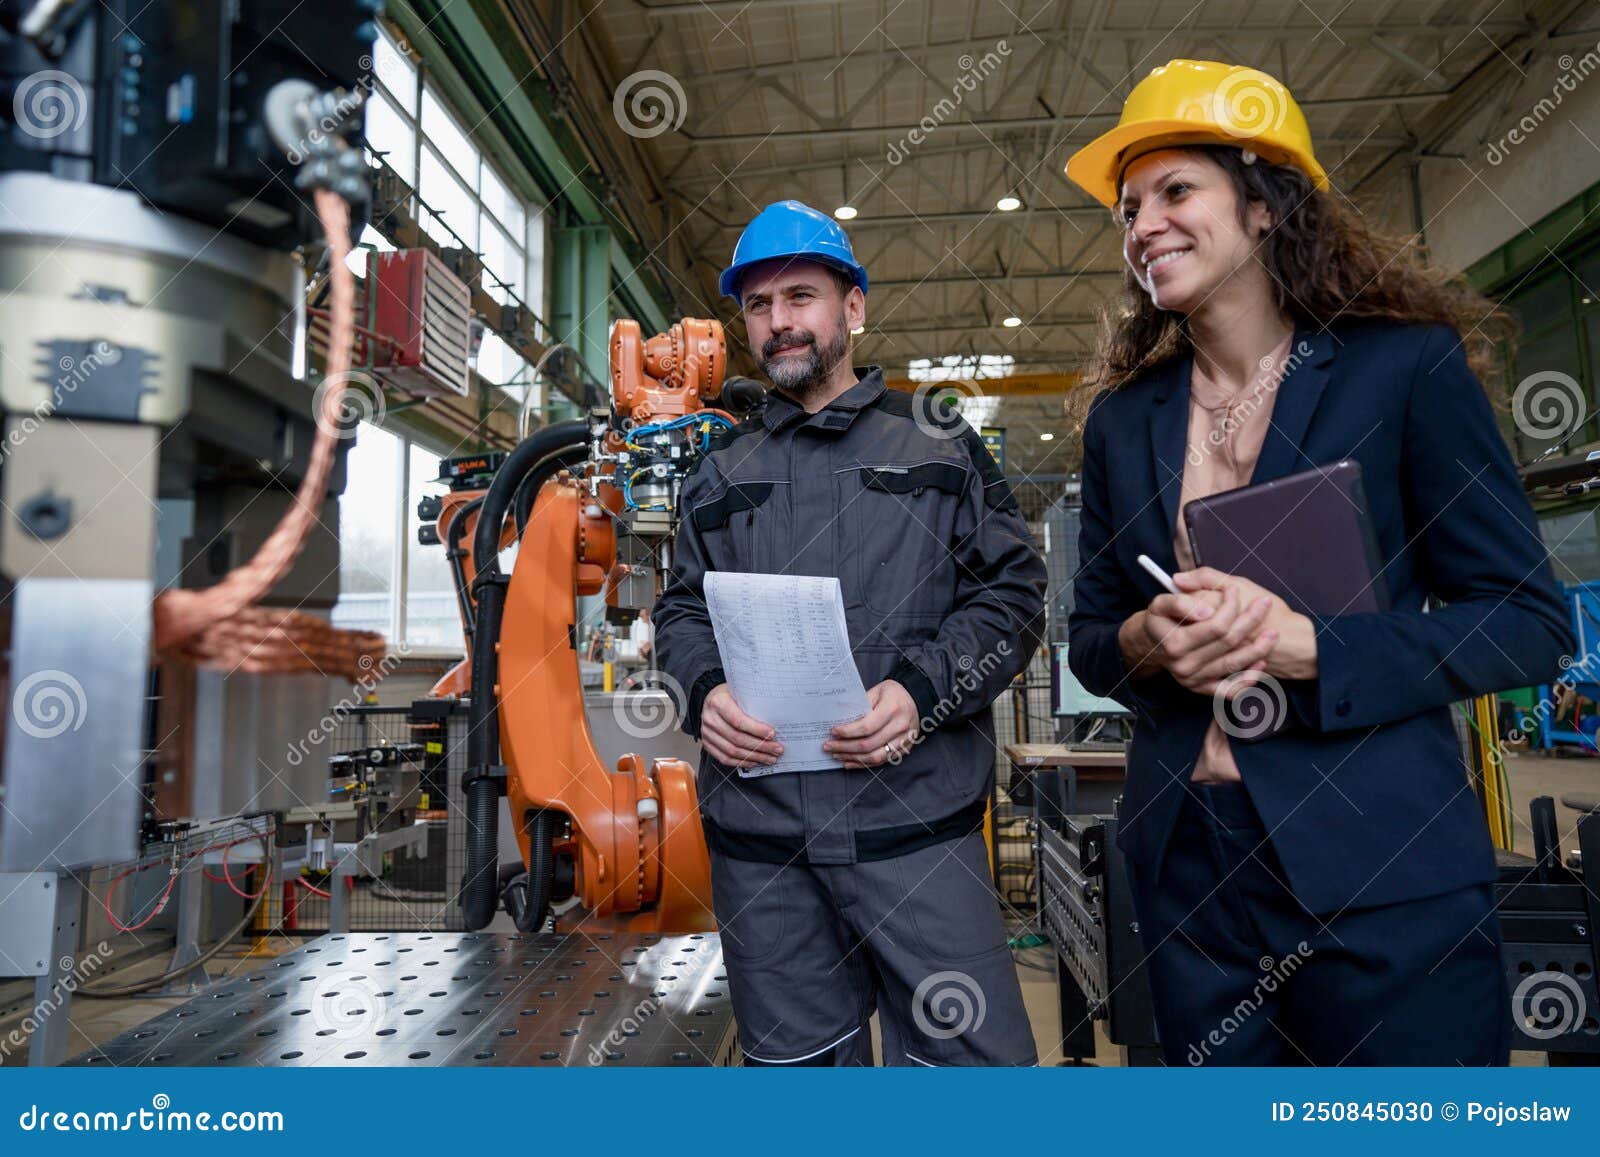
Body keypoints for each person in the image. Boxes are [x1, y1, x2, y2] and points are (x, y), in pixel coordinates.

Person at [1063, 60, 1572, 1065]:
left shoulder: (1402, 369)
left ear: (1260, 205)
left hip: (1378, 864)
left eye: (1174, 191)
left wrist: (1311, 647)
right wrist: (1144, 638)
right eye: (1127, 209)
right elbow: (1090, 637)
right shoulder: (1126, 421)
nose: (1142, 226)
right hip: (1190, 868)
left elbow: (1525, 621)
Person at [652, 200, 1047, 1066]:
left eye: (801, 295)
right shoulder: (720, 474)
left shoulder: (938, 446)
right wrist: (702, 690)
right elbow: (678, 611)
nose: (780, 321)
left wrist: (920, 689)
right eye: (759, 305)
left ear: (853, 307)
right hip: (765, 854)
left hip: (918, 836)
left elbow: (1014, 592)